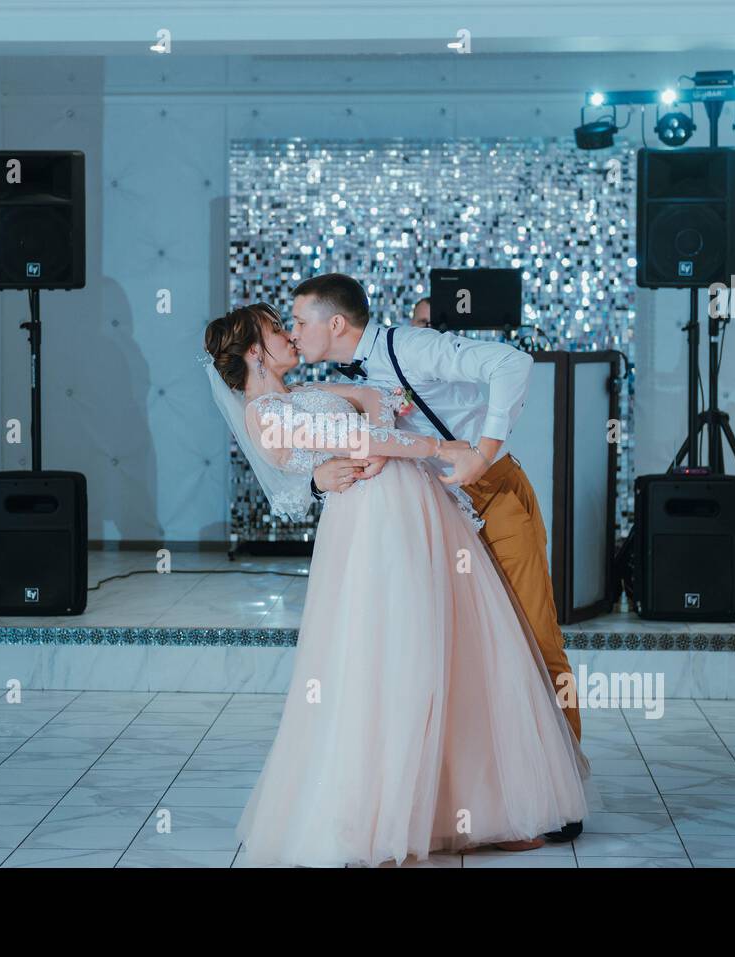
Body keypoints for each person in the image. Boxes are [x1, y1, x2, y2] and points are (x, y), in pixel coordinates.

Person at [204, 303, 593, 868]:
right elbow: (354, 443)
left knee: (460, 647)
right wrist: (434, 447)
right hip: (375, 529)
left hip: (417, 513)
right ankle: (387, 817)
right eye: (275, 329)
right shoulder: (265, 411)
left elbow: (379, 409)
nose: (289, 334)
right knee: (395, 657)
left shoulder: (305, 391)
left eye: (292, 323)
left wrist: (370, 431)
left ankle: (490, 805)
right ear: (254, 352)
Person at [293, 273, 583, 843]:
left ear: (335, 324)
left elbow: (512, 364)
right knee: (467, 656)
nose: (293, 332)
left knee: (536, 639)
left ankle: (566, 788)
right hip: (430, 519)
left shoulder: (411, 346)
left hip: (488, 496)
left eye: (300, 321)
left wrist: (485, 451)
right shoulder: (341, 381)